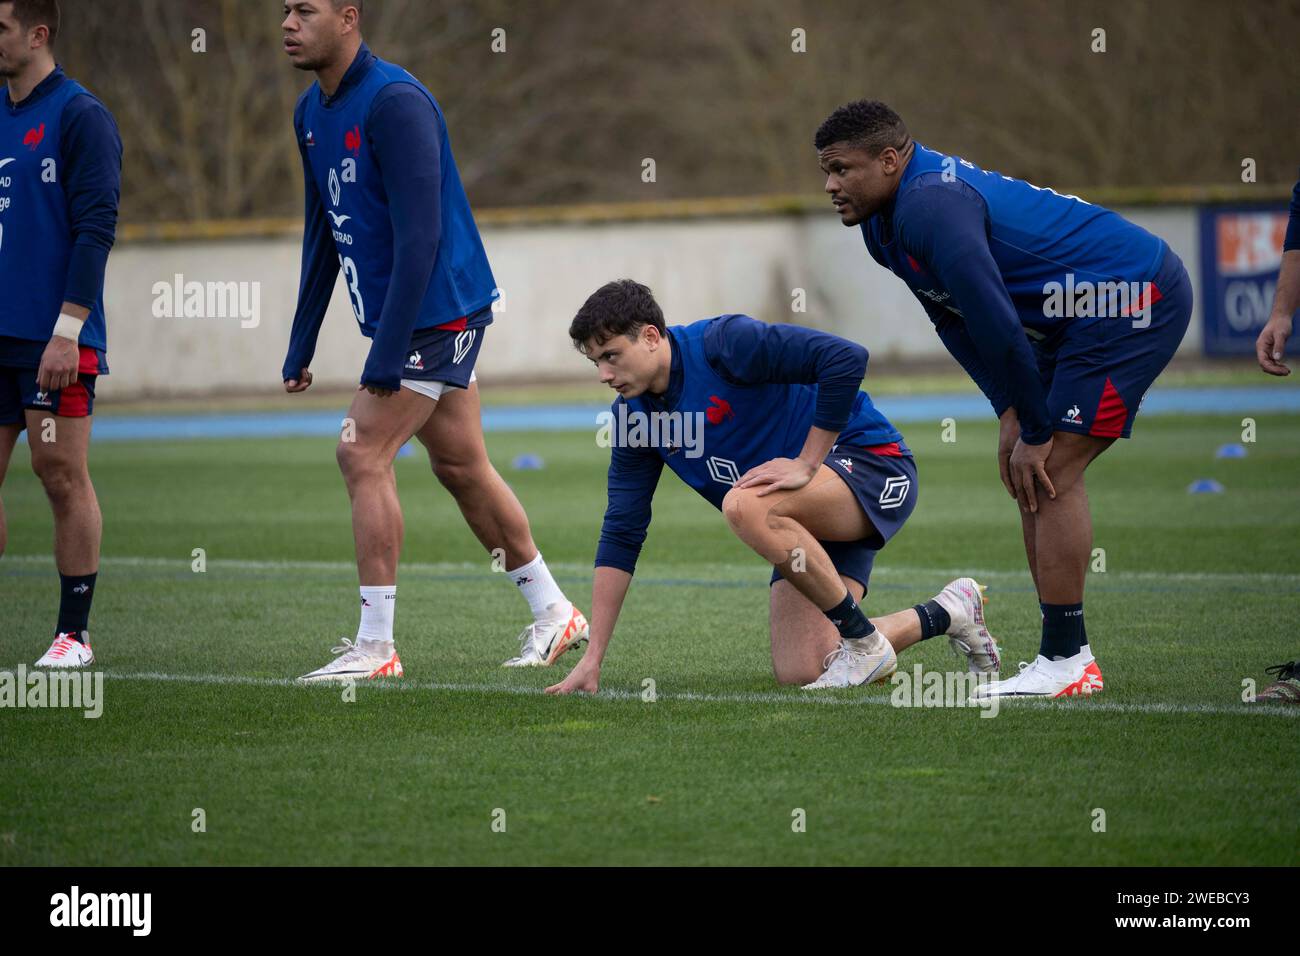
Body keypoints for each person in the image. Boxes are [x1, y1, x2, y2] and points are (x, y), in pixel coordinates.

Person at [815, 99, 1194, 700]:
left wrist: (1038, 429)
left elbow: (996, 320)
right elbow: (954, 320)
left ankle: (1068, 661)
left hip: (1128, 298)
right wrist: (1010, 409)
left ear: (890, 160)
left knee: (1048, 471)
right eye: (825, 172)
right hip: (1071, 319)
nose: (831, 185)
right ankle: (1063, 656)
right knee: (1029, 472)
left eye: (841, 169)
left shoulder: (930, 206)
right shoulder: (880, 223)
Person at [280, 0, 586, 682]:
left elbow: (423, 238)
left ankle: (376, 645)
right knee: (462, 467)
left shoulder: (396, 103)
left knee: (360, 453)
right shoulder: (310, 113)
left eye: (304, 10)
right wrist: (301, 340)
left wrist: (386, 353)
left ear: (349, 17)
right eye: (285, 10)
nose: (288, 23)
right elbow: (322, 231)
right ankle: (555, 611)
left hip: (437, 314)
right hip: (409, 320)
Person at [545, 279, 1000, 695]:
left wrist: (807, 461)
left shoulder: (723, 344)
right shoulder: (634, 419)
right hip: (797, 517)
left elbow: (845, 359)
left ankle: (862, 643)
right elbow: (623, 531)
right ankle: (948, 611)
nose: (604, 374)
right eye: (595, 362)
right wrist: (594, 657)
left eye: (610, 356)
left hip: (872, 466)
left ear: (649, 336)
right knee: (806, 667)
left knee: (743, 506)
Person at [0, 0, 121, 668]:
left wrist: (66, 330)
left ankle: (73, 636)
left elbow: (95, 229)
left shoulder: (80, 116)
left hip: (53, 337)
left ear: (37, 34)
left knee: (58, 473)